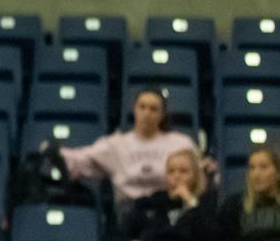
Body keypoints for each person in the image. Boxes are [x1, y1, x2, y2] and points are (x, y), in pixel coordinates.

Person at [60, 87, 197, 216]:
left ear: (162, 115)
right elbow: (78, 158)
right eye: (142, 107)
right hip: (128, 215)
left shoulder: (180, 144)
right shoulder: (115, 144)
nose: (147, 113)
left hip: (168, 215)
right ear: (135, 109)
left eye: (153, 109)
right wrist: (56, 152)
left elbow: (198, 177)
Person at [122, 149, 224, 241]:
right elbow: (122, 235)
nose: (176, 176)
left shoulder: (207, 202)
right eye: (171, 171)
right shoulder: (152, 203)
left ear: (195, 176)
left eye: (183, 171)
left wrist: (190, 202)